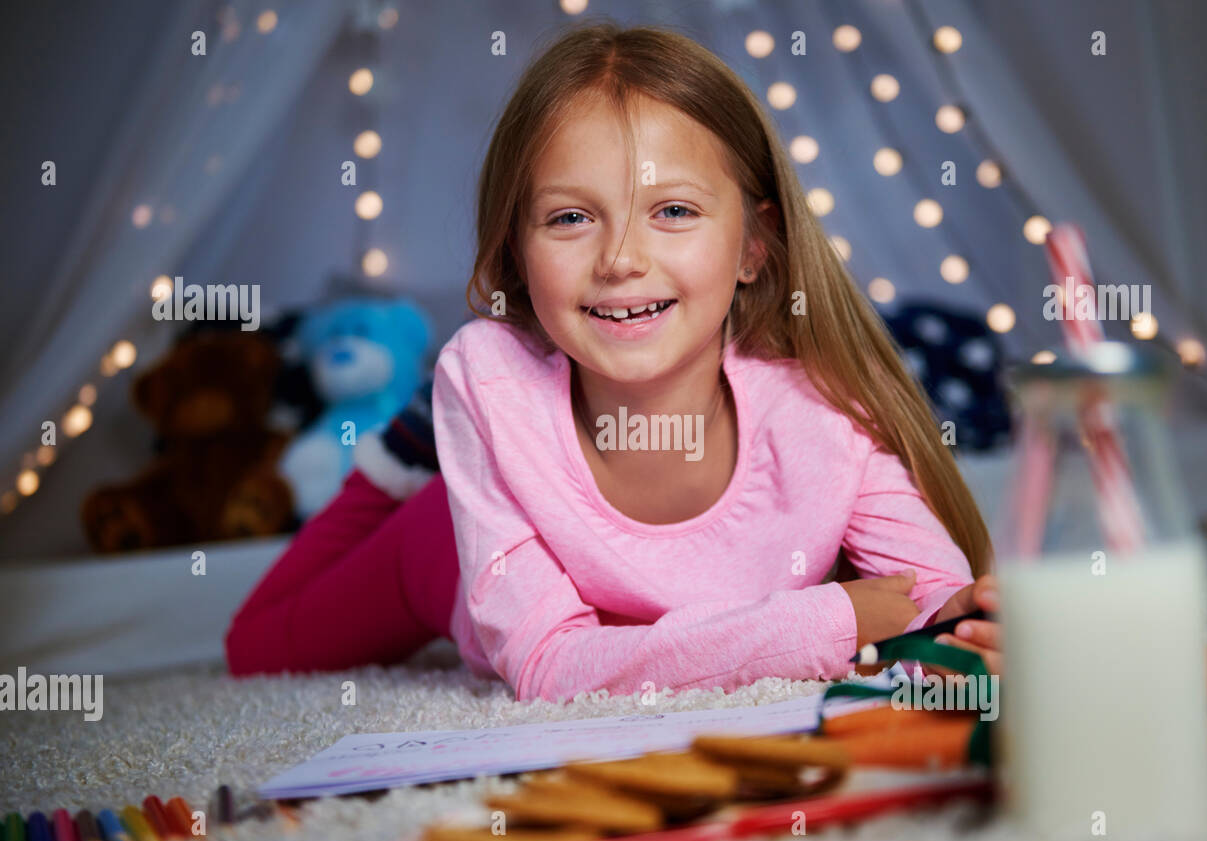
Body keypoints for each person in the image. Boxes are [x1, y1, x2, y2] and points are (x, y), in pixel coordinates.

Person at [225, 22, 1001, 701]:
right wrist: (831, 620)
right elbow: (552, 665)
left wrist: (975, 622)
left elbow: (930, 599)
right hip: (441, 550)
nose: (622, 258)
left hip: (517, 440)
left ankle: (441, 438)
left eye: (673, 211)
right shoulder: (486, 377)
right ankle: (410, 448)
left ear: (754, 245)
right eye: (570, 217)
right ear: (516, 253)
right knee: (258, 647)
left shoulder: (822, 411)